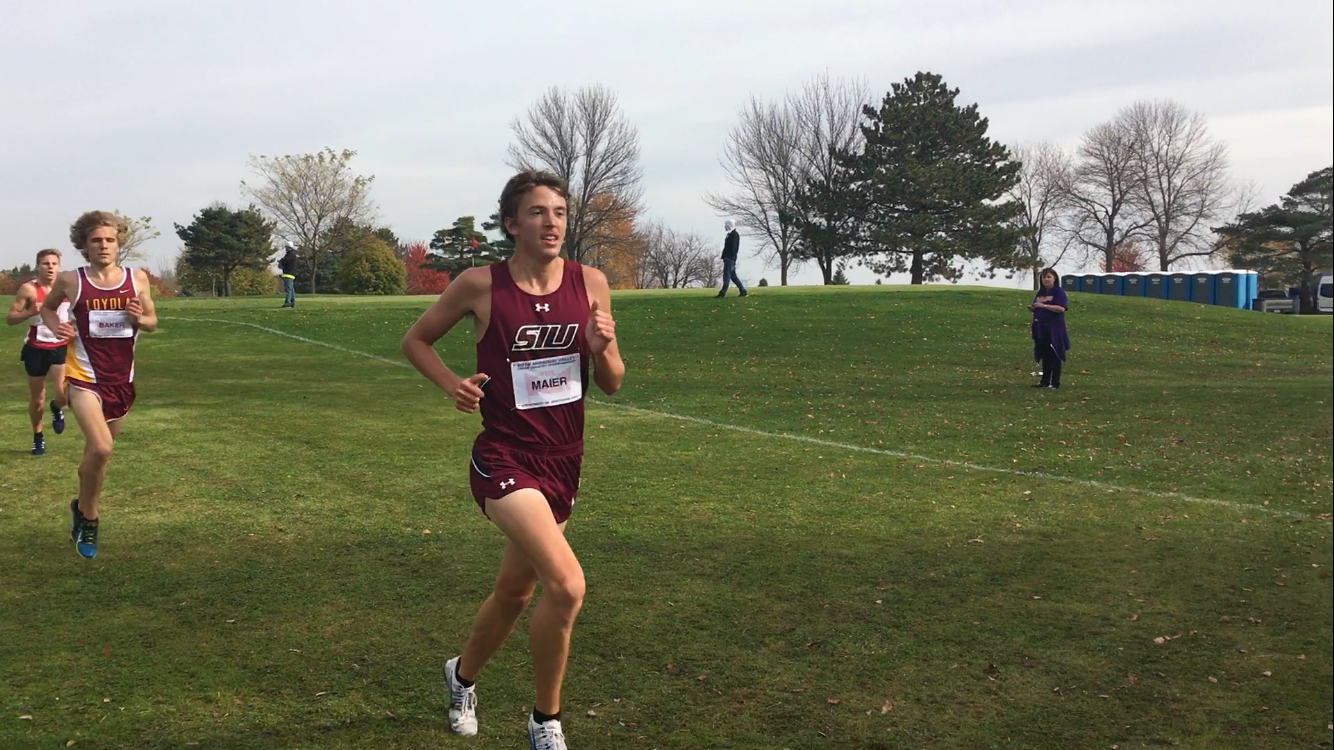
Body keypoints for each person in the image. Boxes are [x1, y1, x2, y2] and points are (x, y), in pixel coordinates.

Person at [401, 170, 624, 750]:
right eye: (537, 212)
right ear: (511, 223)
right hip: (503, 457)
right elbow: (416, 340)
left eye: (559, 212)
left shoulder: (591, 282)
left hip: (563, 460)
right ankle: (545, 722)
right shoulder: (480, 285)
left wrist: (600, 352)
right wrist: (454, 384)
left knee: (515, 594)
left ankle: (461, 675)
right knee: (568, 585)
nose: (551, 223)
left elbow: (614, 382)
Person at [41, 211, 158, 559]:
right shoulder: (70, 280)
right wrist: (58, 327)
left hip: (122, 381)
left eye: (109, 240)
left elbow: (151, 322)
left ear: (118, 243)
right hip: (83, 379)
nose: (103, 246)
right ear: (84, 246)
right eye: (96, 241)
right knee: (103, 448)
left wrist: (141, 318)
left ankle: (79, 505)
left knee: (95, 457)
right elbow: (48, 309)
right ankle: (90, 518)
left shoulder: (137, 279)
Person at [6, 249, 71, 455]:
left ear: (59, 266)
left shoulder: (69, 287)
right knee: (37, 399)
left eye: (54, 263)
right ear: (37, 266)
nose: (50, 267)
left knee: (62, 394)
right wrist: (29, 312)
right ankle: (38, 437)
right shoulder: (29, 290)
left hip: (60, 345)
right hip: (36, 349)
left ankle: (56, 408)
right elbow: (10, 319)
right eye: (45, 263)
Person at [1029, 267, 1069, 389]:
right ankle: (1044, 381)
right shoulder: (1041, 293)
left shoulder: (1058, 292)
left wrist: (1044, 306)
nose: (1046, 279)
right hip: (1041, 328)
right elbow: (1038, 305)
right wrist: (1034, 308)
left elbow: (1061, 308)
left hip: (1054, 328)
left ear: (1054, 278)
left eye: (1048, 277)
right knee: (1044, 354)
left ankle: (1055, 383)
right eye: (1044, 277)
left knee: (1054, 354)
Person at [715, 219, 746, 298]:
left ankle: (723, 292)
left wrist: (728, 256)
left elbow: (733, 248)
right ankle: (743, 290)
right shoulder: (730, 234)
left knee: (727, 275)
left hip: (730, 258)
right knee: (733, 276)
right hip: (729, 258)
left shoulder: (734, 235)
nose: (725, 227)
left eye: (726, 225)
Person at [278, 242, 298, 308]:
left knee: (288, 289)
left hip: (288, 273)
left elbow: (284, 261)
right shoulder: (293, 254)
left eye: (286, 247)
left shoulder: (290, 255)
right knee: (291, 289)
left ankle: (288, 303)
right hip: (291, 274)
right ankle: (292, 302)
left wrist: (281, 261)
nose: (285, 249)